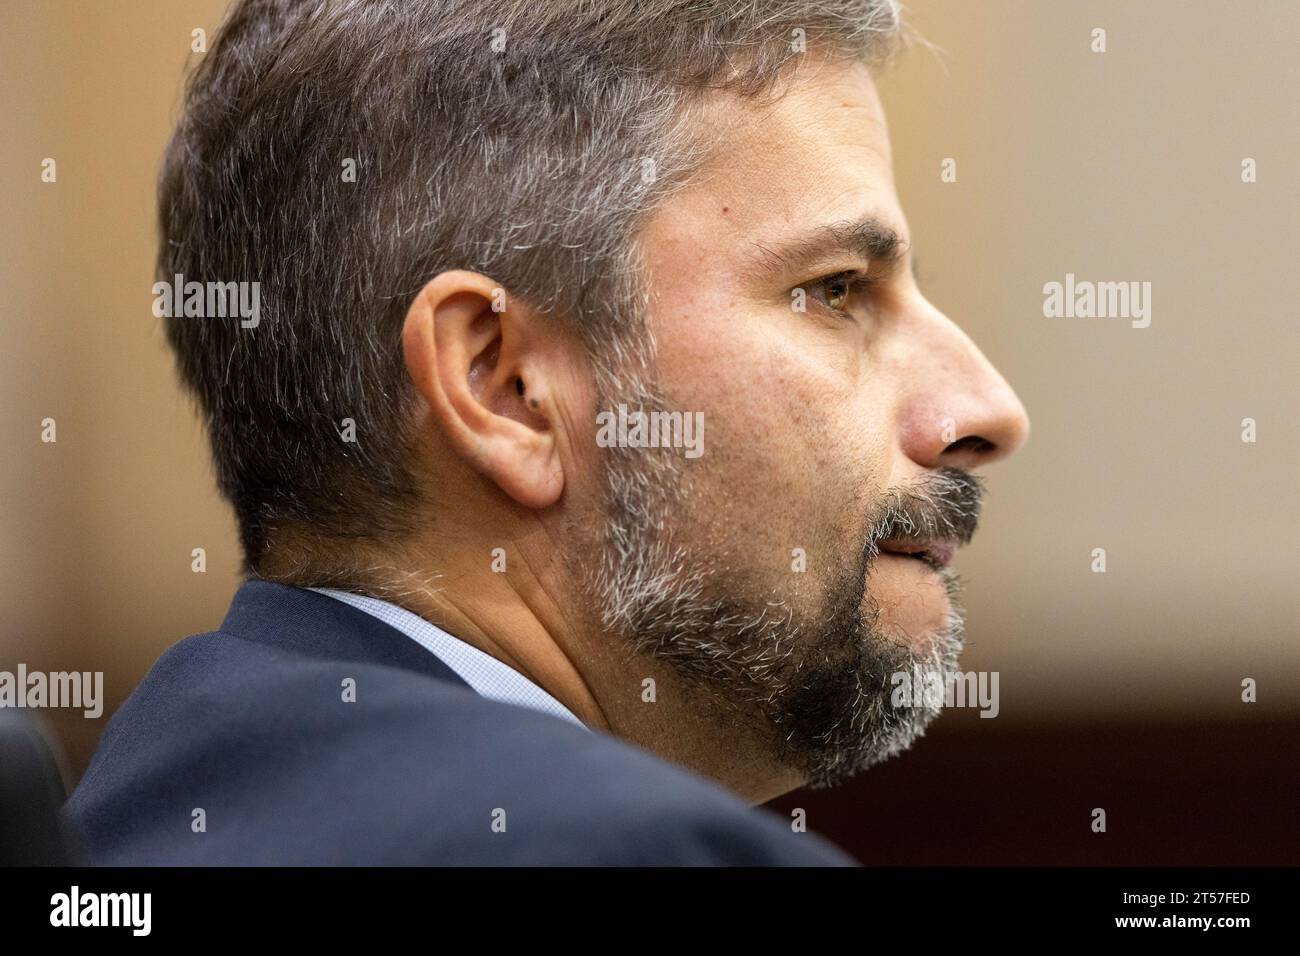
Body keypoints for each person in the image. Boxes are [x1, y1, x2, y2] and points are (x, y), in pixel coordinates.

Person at [65, 0, 1029, 865]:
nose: (987, 409)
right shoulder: (636, 853)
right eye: (834, 291)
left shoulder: (135, 810)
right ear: (506, 387)